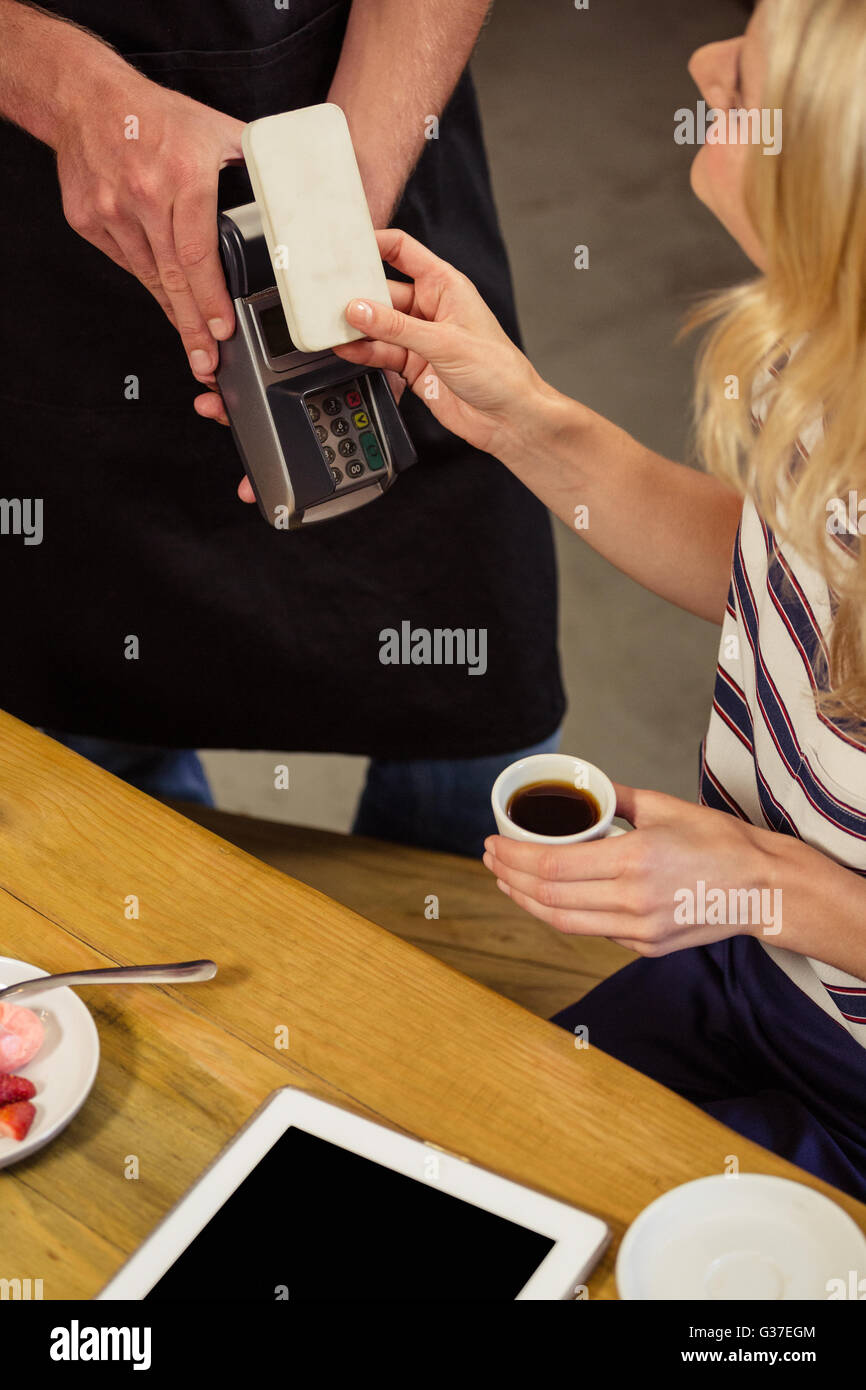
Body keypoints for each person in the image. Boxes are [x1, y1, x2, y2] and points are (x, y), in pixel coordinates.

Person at [324, 0, 866, 1199]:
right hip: (752, 967)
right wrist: (520, 414)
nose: (697, 62)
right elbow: (768, 562)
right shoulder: (817, 348)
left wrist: (761, 878)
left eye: (749, 69)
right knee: (452, 1178)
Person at [0, 0, 564, 856]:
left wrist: (336, 218)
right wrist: (69, 93)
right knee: (99, 778)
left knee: (489, 756)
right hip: (50, 252)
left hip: (371, 164)